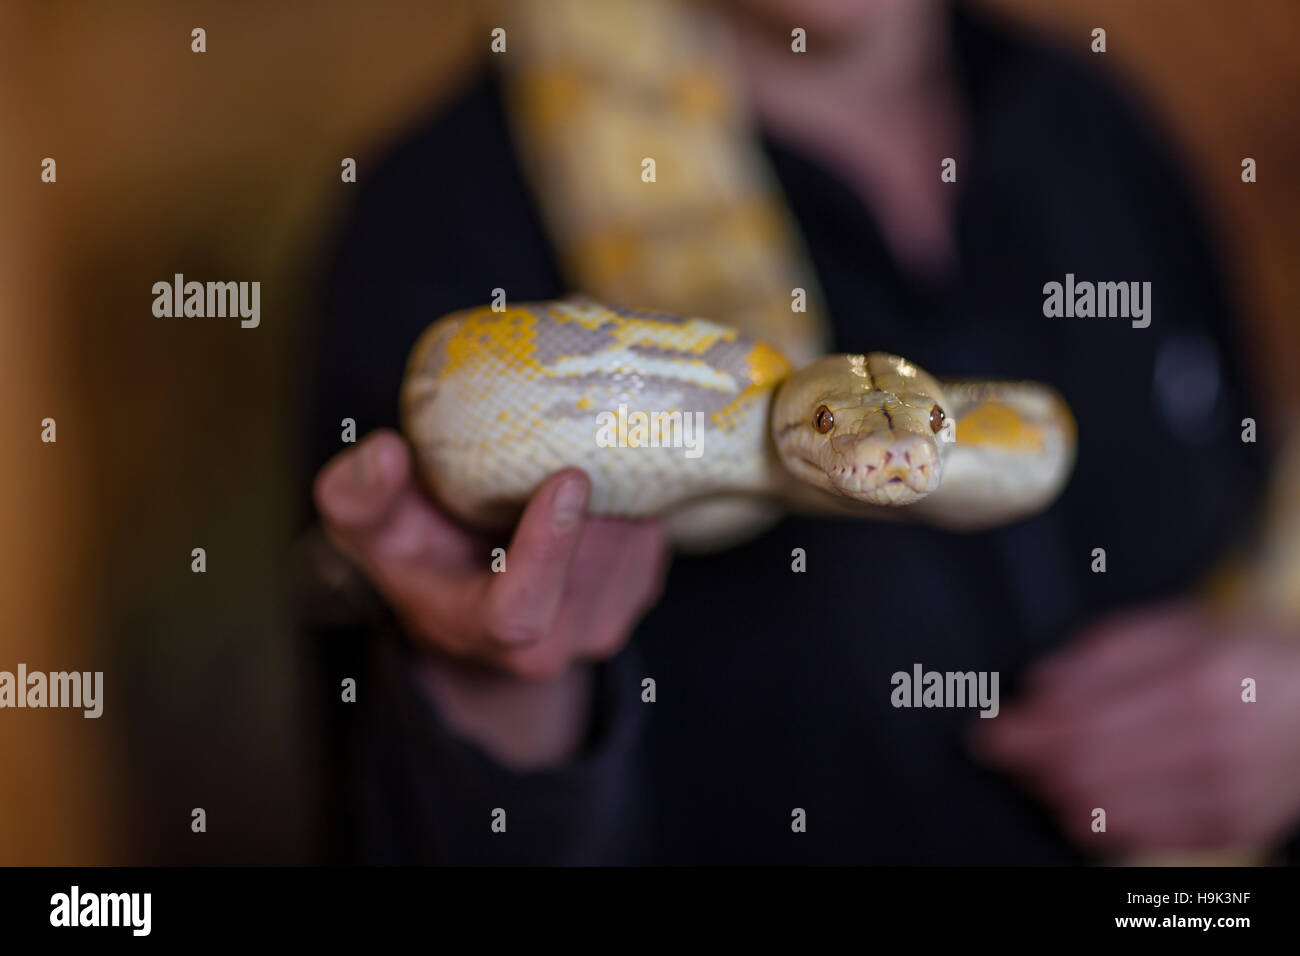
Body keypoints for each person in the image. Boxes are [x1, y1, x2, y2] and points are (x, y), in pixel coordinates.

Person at [303, 0, 1300, 864]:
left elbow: (1261, 516)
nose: (897, 455)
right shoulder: (437, 218)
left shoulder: (1100, 125)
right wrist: (494, 697)